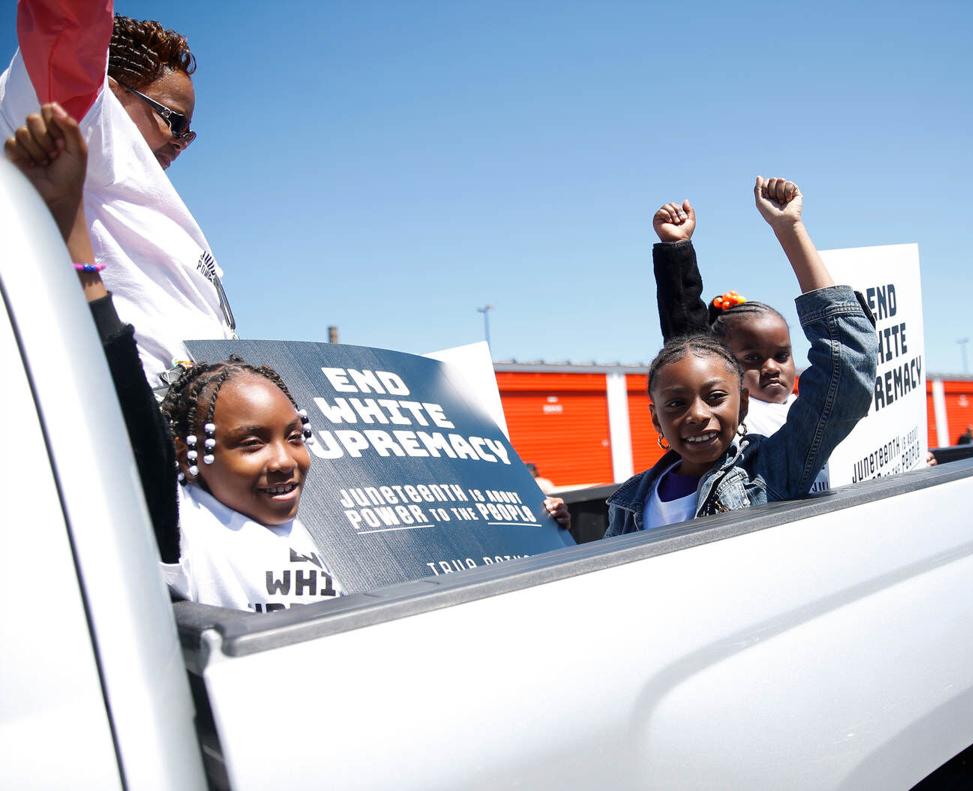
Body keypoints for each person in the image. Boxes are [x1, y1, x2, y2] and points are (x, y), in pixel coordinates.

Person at [5, 104, 571, 608]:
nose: (284, 460)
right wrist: (73, 237)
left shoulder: (335, 523)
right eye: (250, 442)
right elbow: (123, 400)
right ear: (184, 454)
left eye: (296, 435)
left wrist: (534, 522)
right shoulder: (190, 534)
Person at [605, 177, 877, 535]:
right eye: (675, 404)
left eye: (717, 397)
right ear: (655, 418)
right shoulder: (630, 502)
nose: (699, 415)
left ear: (743, 404)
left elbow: (846, 369)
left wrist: (789, 228)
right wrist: (676, 253)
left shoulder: (770, 471)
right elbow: (690, 356)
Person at [0, 0, 235, 387]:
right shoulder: (85, 122)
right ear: (108, 93)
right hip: (116, 412)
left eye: (189, 133)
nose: (182, 142)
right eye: (174, 121)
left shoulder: (142, 196)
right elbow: (68, 17)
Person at [650, 186, 834, 492]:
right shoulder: (733, 420)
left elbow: (844, 374)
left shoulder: (811, 411)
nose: (772, 368)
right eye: (752, 358)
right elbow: (688, 342)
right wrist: (676, 250)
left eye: (782, 355)